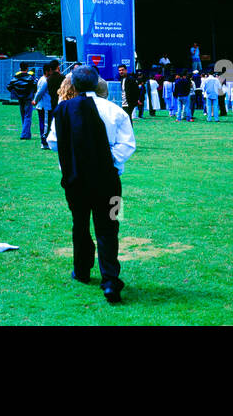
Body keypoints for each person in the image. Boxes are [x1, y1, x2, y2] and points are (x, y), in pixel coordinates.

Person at [49, 66, 136, 303]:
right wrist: (108, 160)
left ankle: (82, 270)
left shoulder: (62, 110)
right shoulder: (115, 111)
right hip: (109, 181)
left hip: (75, 180)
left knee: (79, 224)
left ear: (73, 85)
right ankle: (110, 279)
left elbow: (53, 142)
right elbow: (128, 145)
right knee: (110, 227)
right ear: (98, 83)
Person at [8, 62, 36, 139]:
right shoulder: (30, 77)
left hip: (20, 99)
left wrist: (16, 93)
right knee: (27, 116)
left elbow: (9, 86)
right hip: (28, 98)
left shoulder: (16, 77)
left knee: (23, 116)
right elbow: (35, 85)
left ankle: (26, 133)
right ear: (27, 68)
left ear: (20, 68)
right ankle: (24, 134)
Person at [34, 65, 57, 149]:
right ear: (47, 71)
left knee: (43, 123)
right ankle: (44, 142)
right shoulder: (45, 81)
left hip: (43, 105)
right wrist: (35, 100)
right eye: (50, 71)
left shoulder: (42, 79)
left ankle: (44, 141)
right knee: (45, 124)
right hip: (45, 106)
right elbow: (40, 92)